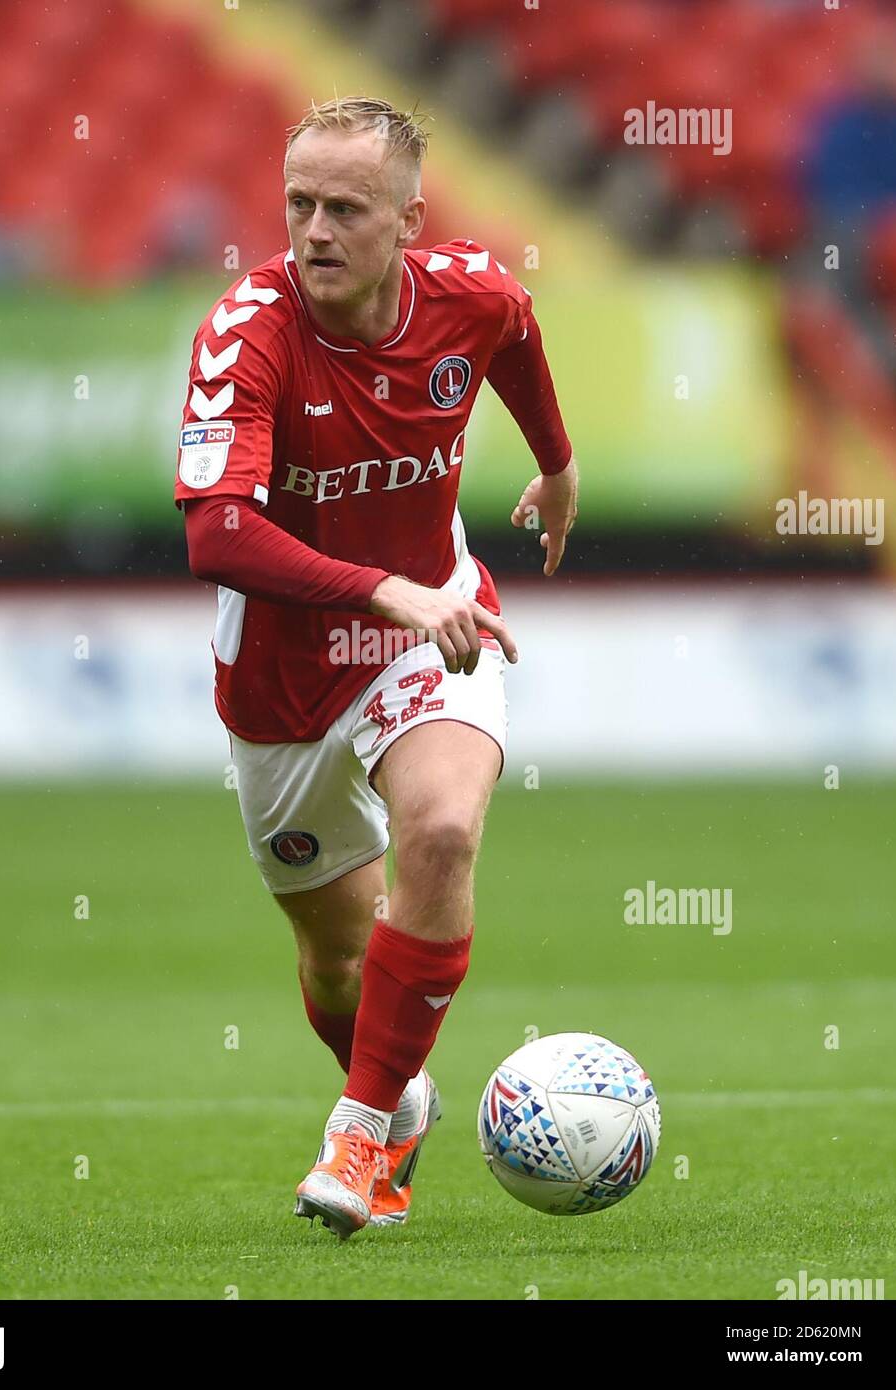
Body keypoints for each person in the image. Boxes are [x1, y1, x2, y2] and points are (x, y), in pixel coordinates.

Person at [175, 96, 578, 1238]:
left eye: (345, 209)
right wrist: (376, 589)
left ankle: (356, 1144)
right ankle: (397, 1100)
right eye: (298, 203)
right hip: (286, 678)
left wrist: (556, 462)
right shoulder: (246, 332)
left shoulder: (470, 292)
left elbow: (517, 332)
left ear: (408, 219)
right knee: (339, 963)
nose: (313, 231)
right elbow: (217, 537)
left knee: (442, 835)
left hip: (429, 624)